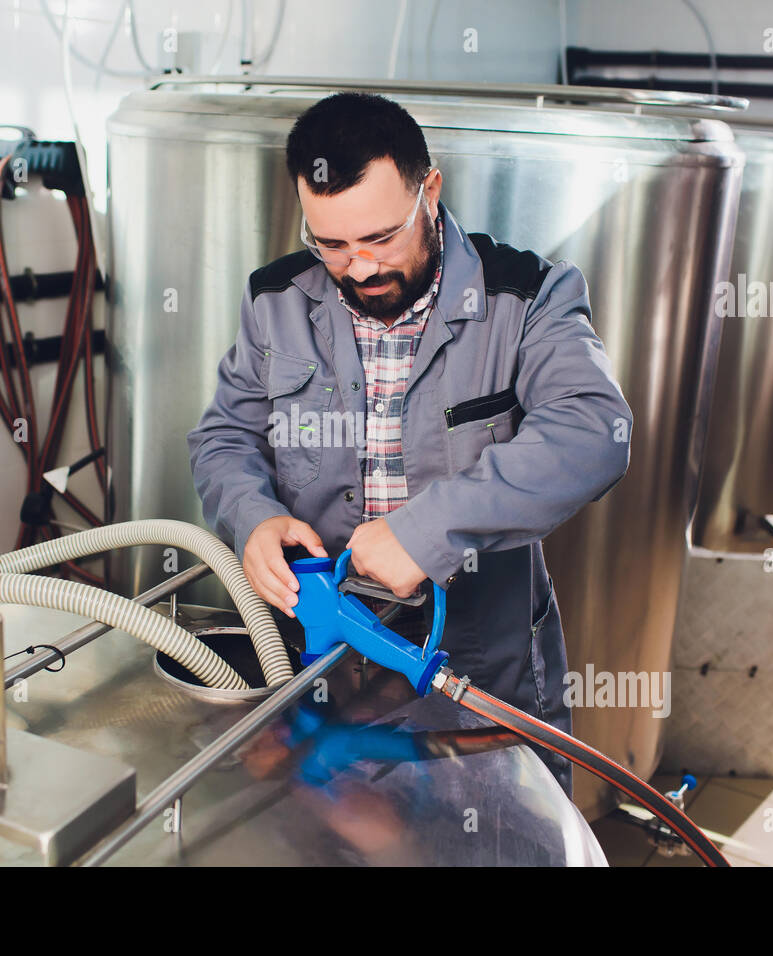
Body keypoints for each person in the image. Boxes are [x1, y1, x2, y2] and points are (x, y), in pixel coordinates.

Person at [187, 92, 633, 797]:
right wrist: (252, 516)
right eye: (331, 244)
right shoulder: (276, 302)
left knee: (492, 836)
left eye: (382, 238)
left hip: (478, 665)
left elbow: (594, 432)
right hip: (321, 658)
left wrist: (426, 532)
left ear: (430, 190)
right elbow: (224, 436)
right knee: (333, 836)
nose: (360, 268)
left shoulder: (526, 297)